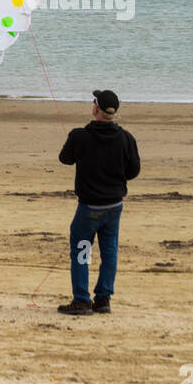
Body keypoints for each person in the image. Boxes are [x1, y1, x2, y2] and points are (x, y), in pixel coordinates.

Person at [57, 89, 140, 315]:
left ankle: (84, 299)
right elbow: (66, 158)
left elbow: (133, 171)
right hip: (112, 206)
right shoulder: (118, 138)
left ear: (96, 109)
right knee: (108, 251)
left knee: (84, 251)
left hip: (92, 208)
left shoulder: (116, 137)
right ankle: (102, 298)